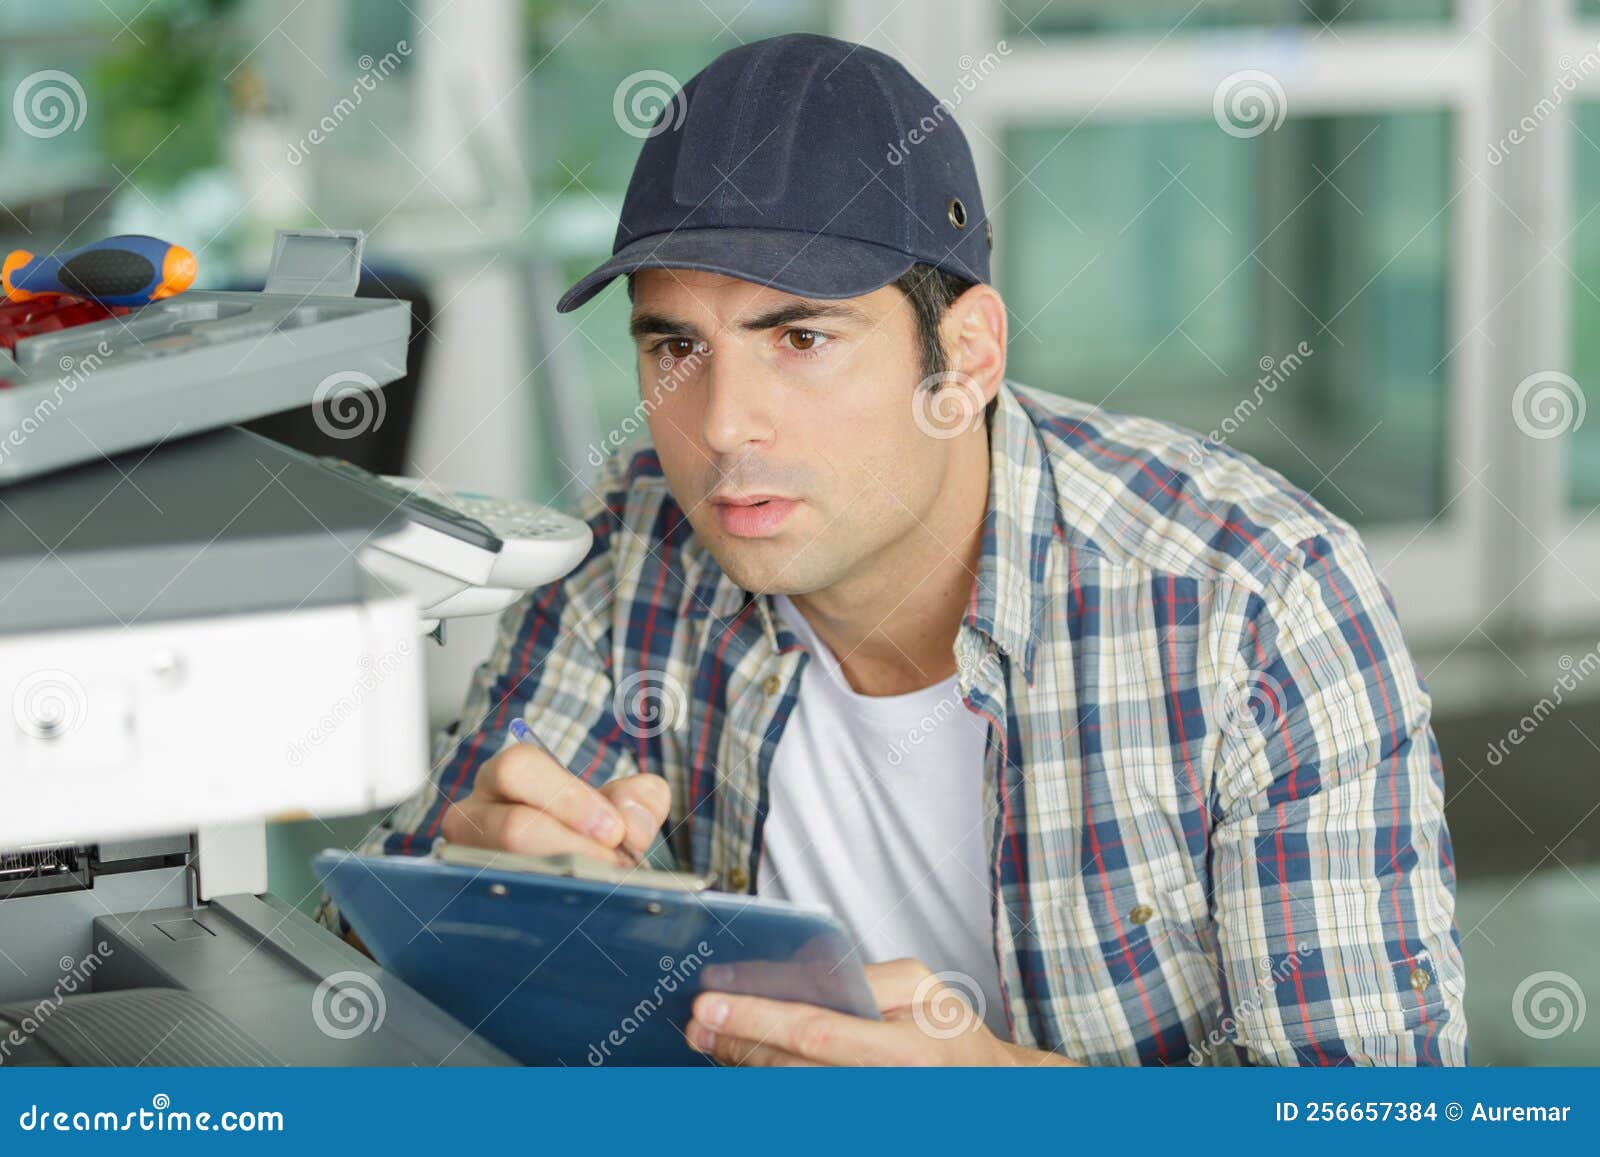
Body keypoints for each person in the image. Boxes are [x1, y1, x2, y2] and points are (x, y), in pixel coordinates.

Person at [373, 32, 1466, 1066]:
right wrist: (472, 910)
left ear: (966, 357)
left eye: (801, 338)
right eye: (676, 348)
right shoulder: (640, 535)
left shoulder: (1257, 603)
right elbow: (364, 956)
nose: (721, 426)